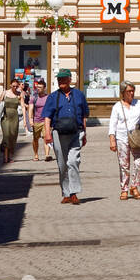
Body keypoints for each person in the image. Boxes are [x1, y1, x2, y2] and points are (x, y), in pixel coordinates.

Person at [42, 68, 89, 205]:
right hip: (58, 133)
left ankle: (74, 192)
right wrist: (47, 133)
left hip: (76, 132)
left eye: (63, 79)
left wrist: (85, 133)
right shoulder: (53, 97)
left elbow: (84, 115)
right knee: (62, 164)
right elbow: (47, 117)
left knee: (73, 161)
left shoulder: (79, 95)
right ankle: (66, 193)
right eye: (59, 79)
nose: (61, 81)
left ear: (70, 79)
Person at [109, 80, 140, 200]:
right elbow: (112, 125)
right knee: (124, 165)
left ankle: (134, 186)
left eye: (133, 91)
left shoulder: (139, 104)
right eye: (128, 91)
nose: (131, 93)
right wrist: (112, 140)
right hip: (121, 137)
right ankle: (124, 189)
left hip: (136, 137)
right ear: (122, 92)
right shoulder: (117, 107)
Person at [0, 79, 21, 164]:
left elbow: (23, 108)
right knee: (6, 136)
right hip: (5, 117)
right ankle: (5, 158)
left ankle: (9, 156)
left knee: (12, 136)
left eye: (16, 86)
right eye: (13, 86)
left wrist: (25, 120)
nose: (15, 87)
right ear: (10, 85)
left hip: (15, 118)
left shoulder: (19, 94)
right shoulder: (5, 93)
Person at [28, 76, 50, 160]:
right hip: (36, 120)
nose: (39, 89)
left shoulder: (48, 97)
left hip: (45, 121)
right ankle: (36, 155)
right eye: (38, 87)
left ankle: (47, 155)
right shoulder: (34, 98)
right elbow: (30, 109)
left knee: (46, 137)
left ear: (44, 88)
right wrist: (30, 120)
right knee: (35, 139)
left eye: (40, 87)